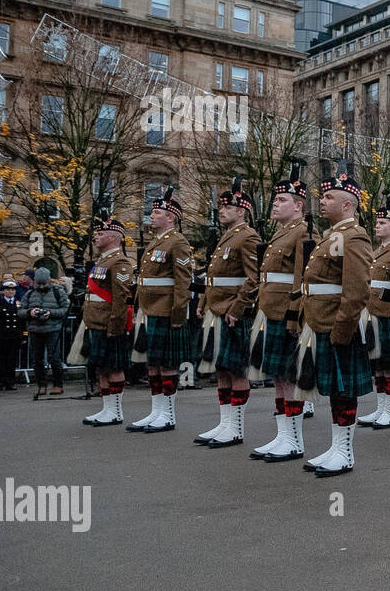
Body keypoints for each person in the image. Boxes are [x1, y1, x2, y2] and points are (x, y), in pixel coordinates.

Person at [291, 162, 373, 477]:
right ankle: (336, 447)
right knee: (332, 391)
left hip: (337, 325)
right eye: (322, 196)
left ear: (347, 204)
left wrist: (342, 328)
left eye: (329, 197)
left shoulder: (354, 236)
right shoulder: (331, 236)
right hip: (320, 321)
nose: (322, 201)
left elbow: (356, 290)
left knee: (343, 391)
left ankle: (346, 452)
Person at [252, 165, 317, 463]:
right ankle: (282, 435)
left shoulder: (303, 232)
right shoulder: (281, 233)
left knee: (289, 376)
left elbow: (301, 279)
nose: (275, 204)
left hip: (287, 313)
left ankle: (294, 440)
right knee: (279, 377)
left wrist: (295, 316)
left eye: (281, 201)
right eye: (275, 200)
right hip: (271, 309)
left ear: (298, 206)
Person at [193, 179, 260, 449]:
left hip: (232, 311)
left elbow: (254, 278)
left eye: (228, 206)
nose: (221, 210)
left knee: (236, 369)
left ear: (241, 211)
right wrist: (203, 300)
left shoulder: (248, 236)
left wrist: (239, 306)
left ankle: (236, 427)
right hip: (216, 308)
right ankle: (224, 423)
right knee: (221, 368)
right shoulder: (224, 238)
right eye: (221, 206)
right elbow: (214, 277)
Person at [126, 187, 193, 433]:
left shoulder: (178, 242)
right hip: (149, 309)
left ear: (171, 217)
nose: (151, 215)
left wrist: (178, 315)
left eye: (156, 212)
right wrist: (137, 309)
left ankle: (168, 414)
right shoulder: (156, 242)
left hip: (166, 311)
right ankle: (156, 411)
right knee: (152, 364)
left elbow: (183, 282)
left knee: (167, 364)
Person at [76, 210, 135, 425]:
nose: (96, 236)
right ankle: (106, 408)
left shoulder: (119, 262)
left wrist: (116, 325)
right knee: (101, 366)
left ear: (112, 236)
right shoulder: (101, 261)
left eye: (100, 233)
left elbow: (121, 298)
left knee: (114, 367)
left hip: (110, 323)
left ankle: (116, 411)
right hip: (96, 322)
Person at [357, 196, 390, 430]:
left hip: (388, 314)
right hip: (373, 313)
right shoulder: (377, 251)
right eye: (376, 223)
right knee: (377, 364)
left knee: (389, 365)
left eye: (382, 223)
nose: (377, 226)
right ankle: (380, 407)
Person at [21, 266, 70, 396]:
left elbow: (65, 309)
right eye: (39, 284)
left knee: (54, 358)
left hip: (53, 329)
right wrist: (29, 312)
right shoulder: (30, 293)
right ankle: (41, 385)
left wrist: (50, 313)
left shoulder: (58, 291)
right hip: (35, 329)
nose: (42, 287)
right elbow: (20, 311)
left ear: (49, 281)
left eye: (44, 284)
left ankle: (58, 385)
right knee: (37, 359)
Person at [0, 279, 23, 390]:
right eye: (8, 290)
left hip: (14, 336)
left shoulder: (18, 304)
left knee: (12, 360)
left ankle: (10, 382)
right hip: (0, 336)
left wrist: (24, 335)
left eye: (12, 290)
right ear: (3, 291)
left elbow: (22, 322)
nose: (10, 292)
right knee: (0, 360)